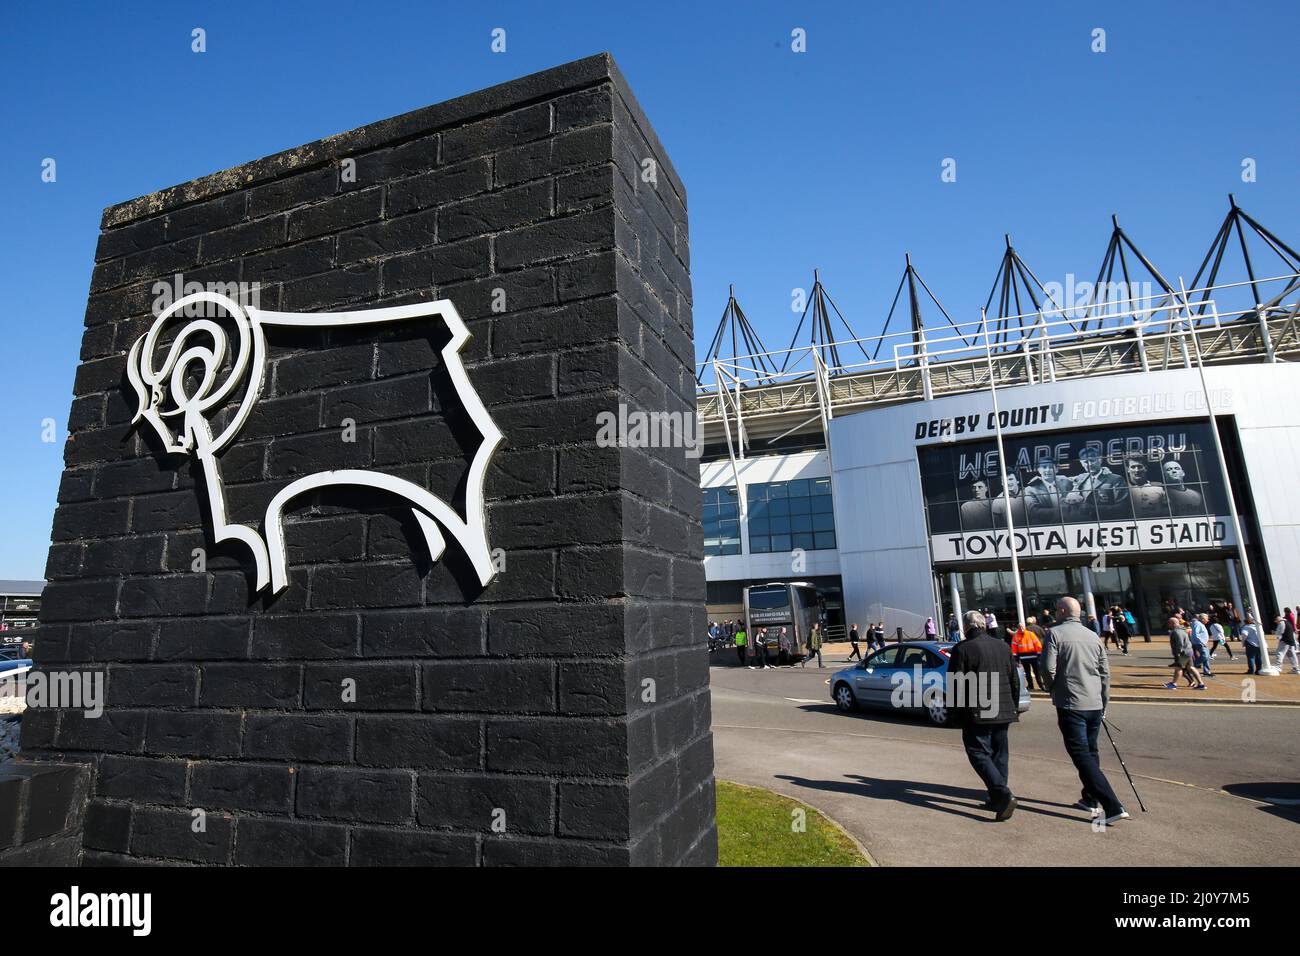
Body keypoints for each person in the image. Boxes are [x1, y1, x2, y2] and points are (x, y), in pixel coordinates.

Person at [1040, 597, 1129, 824]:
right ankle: (1090, 798)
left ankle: (1112, 805)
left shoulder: (1054, 634)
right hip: (1094, 702)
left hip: (1071, 702)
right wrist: (1104, 701)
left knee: (1080, 754)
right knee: (1090, 750)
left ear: (1062, 611)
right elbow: (1105, 673)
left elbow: (1048, 669)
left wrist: (1053, 689)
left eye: (1056, 609)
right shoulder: (1092, 636)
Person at [946, 610, 1022, 821]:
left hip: (977, 710)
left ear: (966, 627)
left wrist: (953, 713)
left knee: (977, 753)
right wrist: (1014, 706)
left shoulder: (963, 648)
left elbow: (956, 683)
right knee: (1000, 755)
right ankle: (997, 797)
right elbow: (1014, 679)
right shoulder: (1002, 646)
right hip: (1003, 708)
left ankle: (1003, 794)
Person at [1164, 616, 1205, 690]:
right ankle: (1201, 684)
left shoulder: (1176, 632)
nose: (1168, 624)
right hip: (1188, 651)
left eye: (1169, 623)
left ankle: (1173, 684)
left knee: (1178, 668)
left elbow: (1180, 643)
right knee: (1191, 668)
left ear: (1173, 623)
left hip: (1183, 653)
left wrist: (1178, 653)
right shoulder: (1182, 630)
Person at [1010, 618, 1043, 691]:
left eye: (1022, 627)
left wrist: (1039, 654)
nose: (1021, 628)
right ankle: (1031, 686)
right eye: (1020, 627)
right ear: (1018, 628)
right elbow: (1014, 648)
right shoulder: (1016, 636)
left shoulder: (1030, 634)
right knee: (1028, 673)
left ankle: (1040, 685)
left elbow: (1037, 644)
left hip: (1033, 656)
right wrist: (1016, 658)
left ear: (1024, 627)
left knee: (1036, 672)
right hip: (1024, 657)